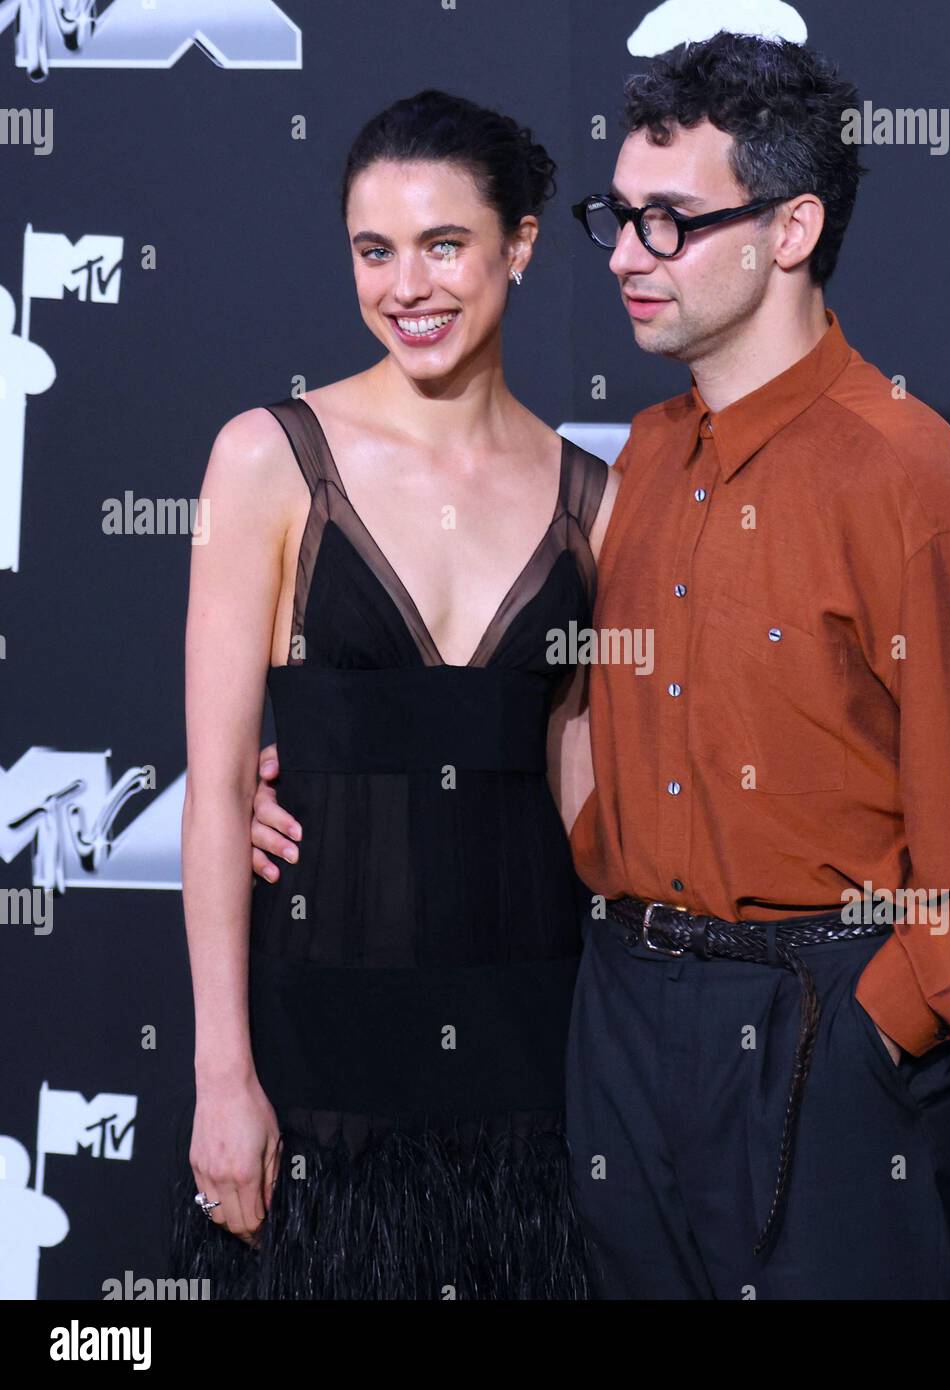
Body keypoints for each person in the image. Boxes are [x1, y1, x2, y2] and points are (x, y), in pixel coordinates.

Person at [250, 35, 950, 1300]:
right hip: (618, 1018)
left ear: (794, 227)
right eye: (618, 215)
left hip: (816, 1028)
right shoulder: (644, 458)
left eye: (672, 221)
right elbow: (547, 693)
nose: (625, 254)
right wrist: (319, 768)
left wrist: (887, 1023)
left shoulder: (910, 476)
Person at [167, 88, 618, 1300]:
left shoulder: (596, 498)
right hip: (321, 1060)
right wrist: (223, 1078)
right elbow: (215, 793)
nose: (405, 285)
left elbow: (585, 800)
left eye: (443, 244)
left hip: (533, 1059)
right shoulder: (267, 458)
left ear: (519, 244)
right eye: (375, 249)